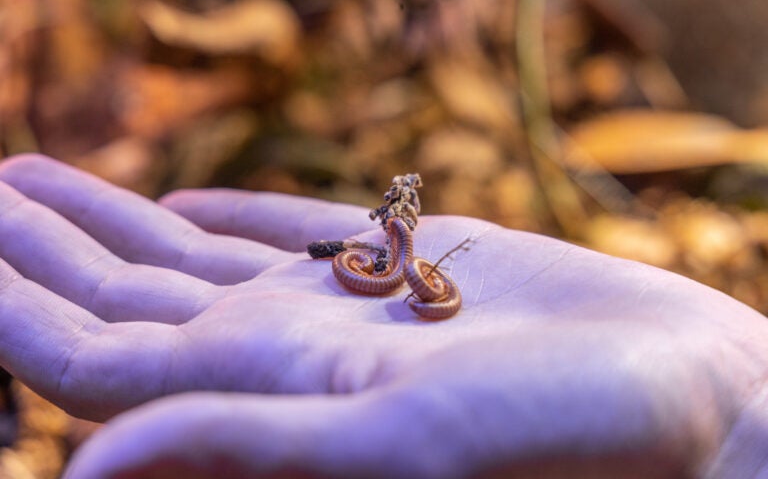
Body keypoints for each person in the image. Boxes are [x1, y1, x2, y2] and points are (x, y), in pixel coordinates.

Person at [0, 154, 764, 478]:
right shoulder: (389, 253)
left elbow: (400, 273)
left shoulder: (399, 257)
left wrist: (739, 407)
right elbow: (389, 268)